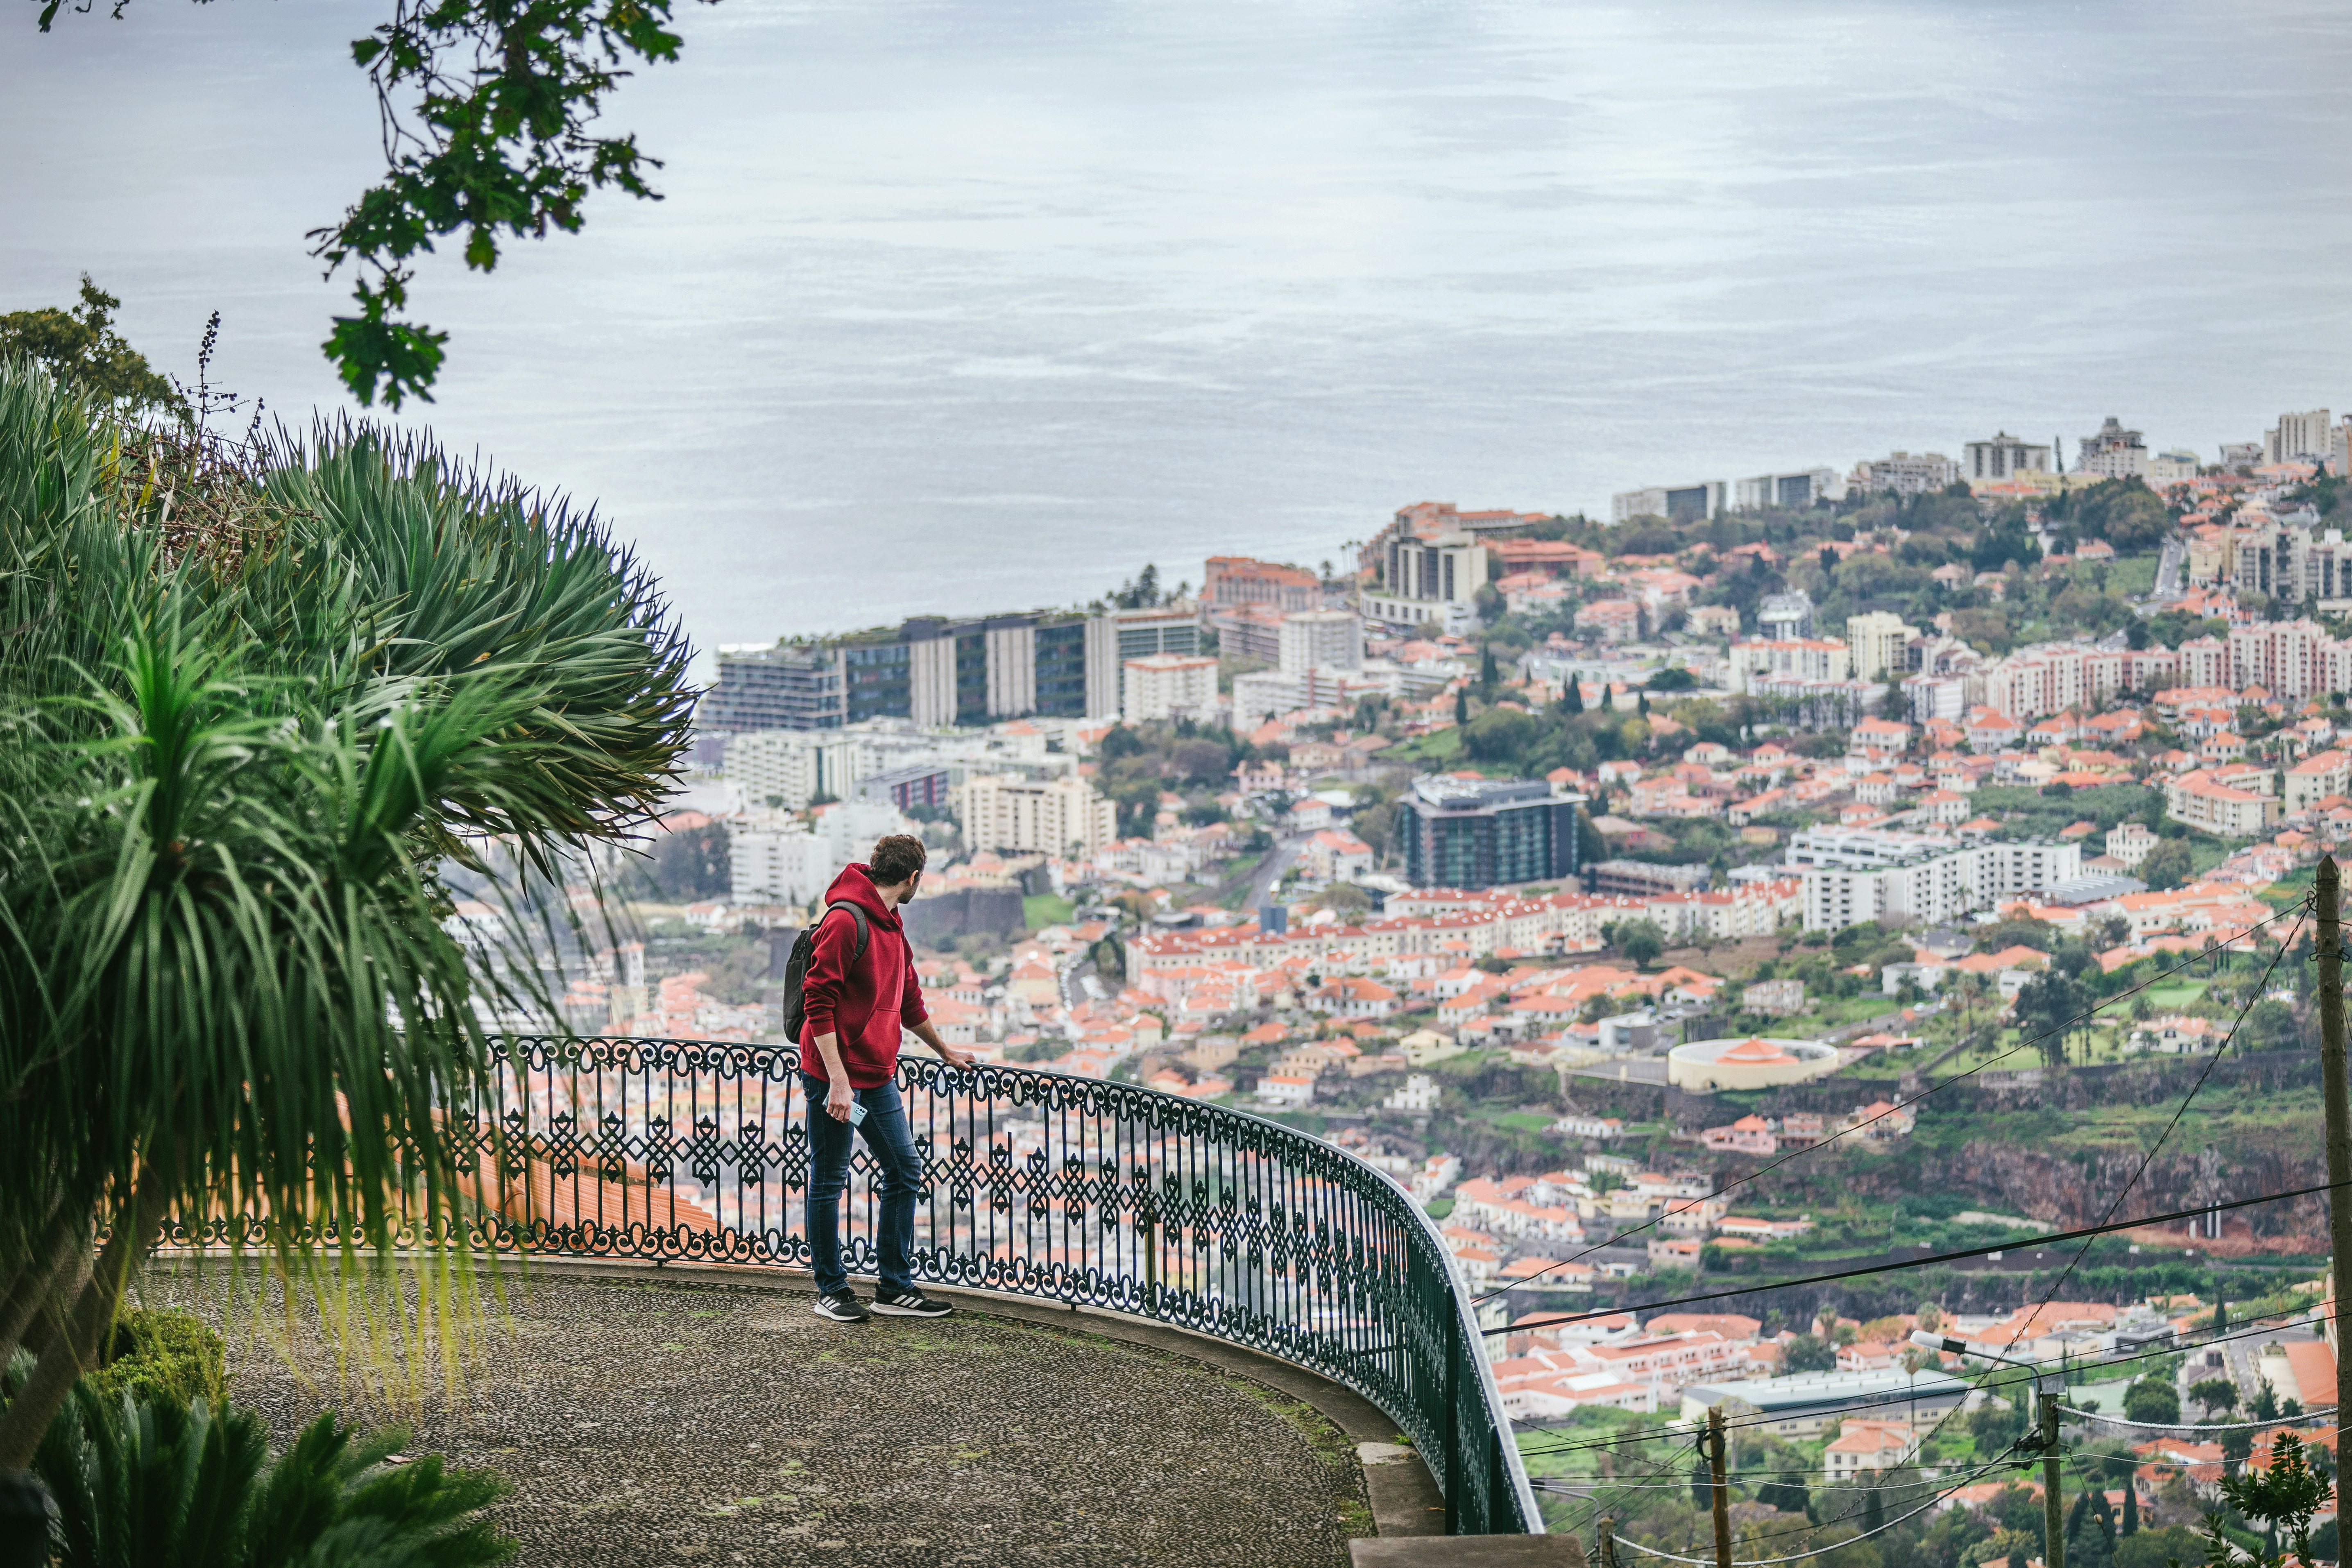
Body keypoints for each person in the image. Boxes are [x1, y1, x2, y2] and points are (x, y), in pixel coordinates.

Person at [798, 832, 973, 1323]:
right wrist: (837, 1081)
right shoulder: (844, 920)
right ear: (913, 877)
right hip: (834, 1074)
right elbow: (818, 1002)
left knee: (904, 1168)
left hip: (875, 1073)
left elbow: (909, 1000)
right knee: (830, 1177)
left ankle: (894, 1289)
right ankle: (831, 1289)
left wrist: (944, 1051)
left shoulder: (893, 926)